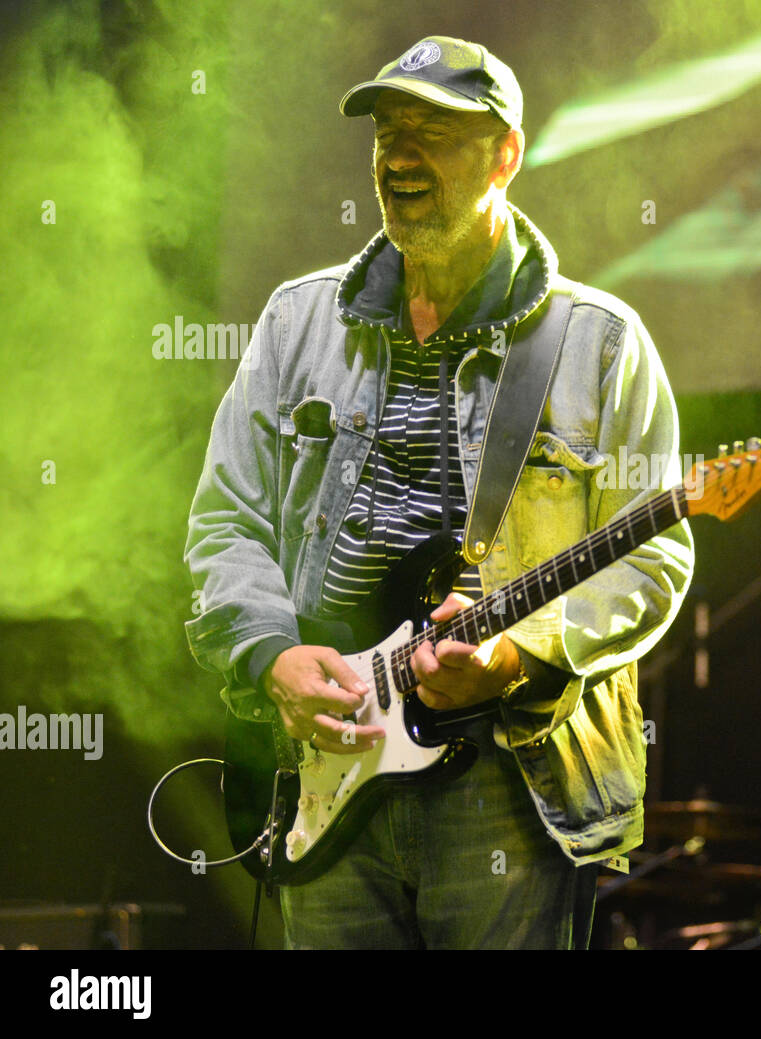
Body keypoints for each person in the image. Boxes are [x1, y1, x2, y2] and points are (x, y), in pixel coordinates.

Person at [183, 35, 694, 949]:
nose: (400, 154)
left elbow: (653, 556)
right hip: (324, 766)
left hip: (506, 787)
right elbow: (227, 518)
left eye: (434, 131)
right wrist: (270, 656)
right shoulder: (297, 321)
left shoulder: (599, 343)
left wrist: (517, 653)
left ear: (507, 154)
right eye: (388, 130)